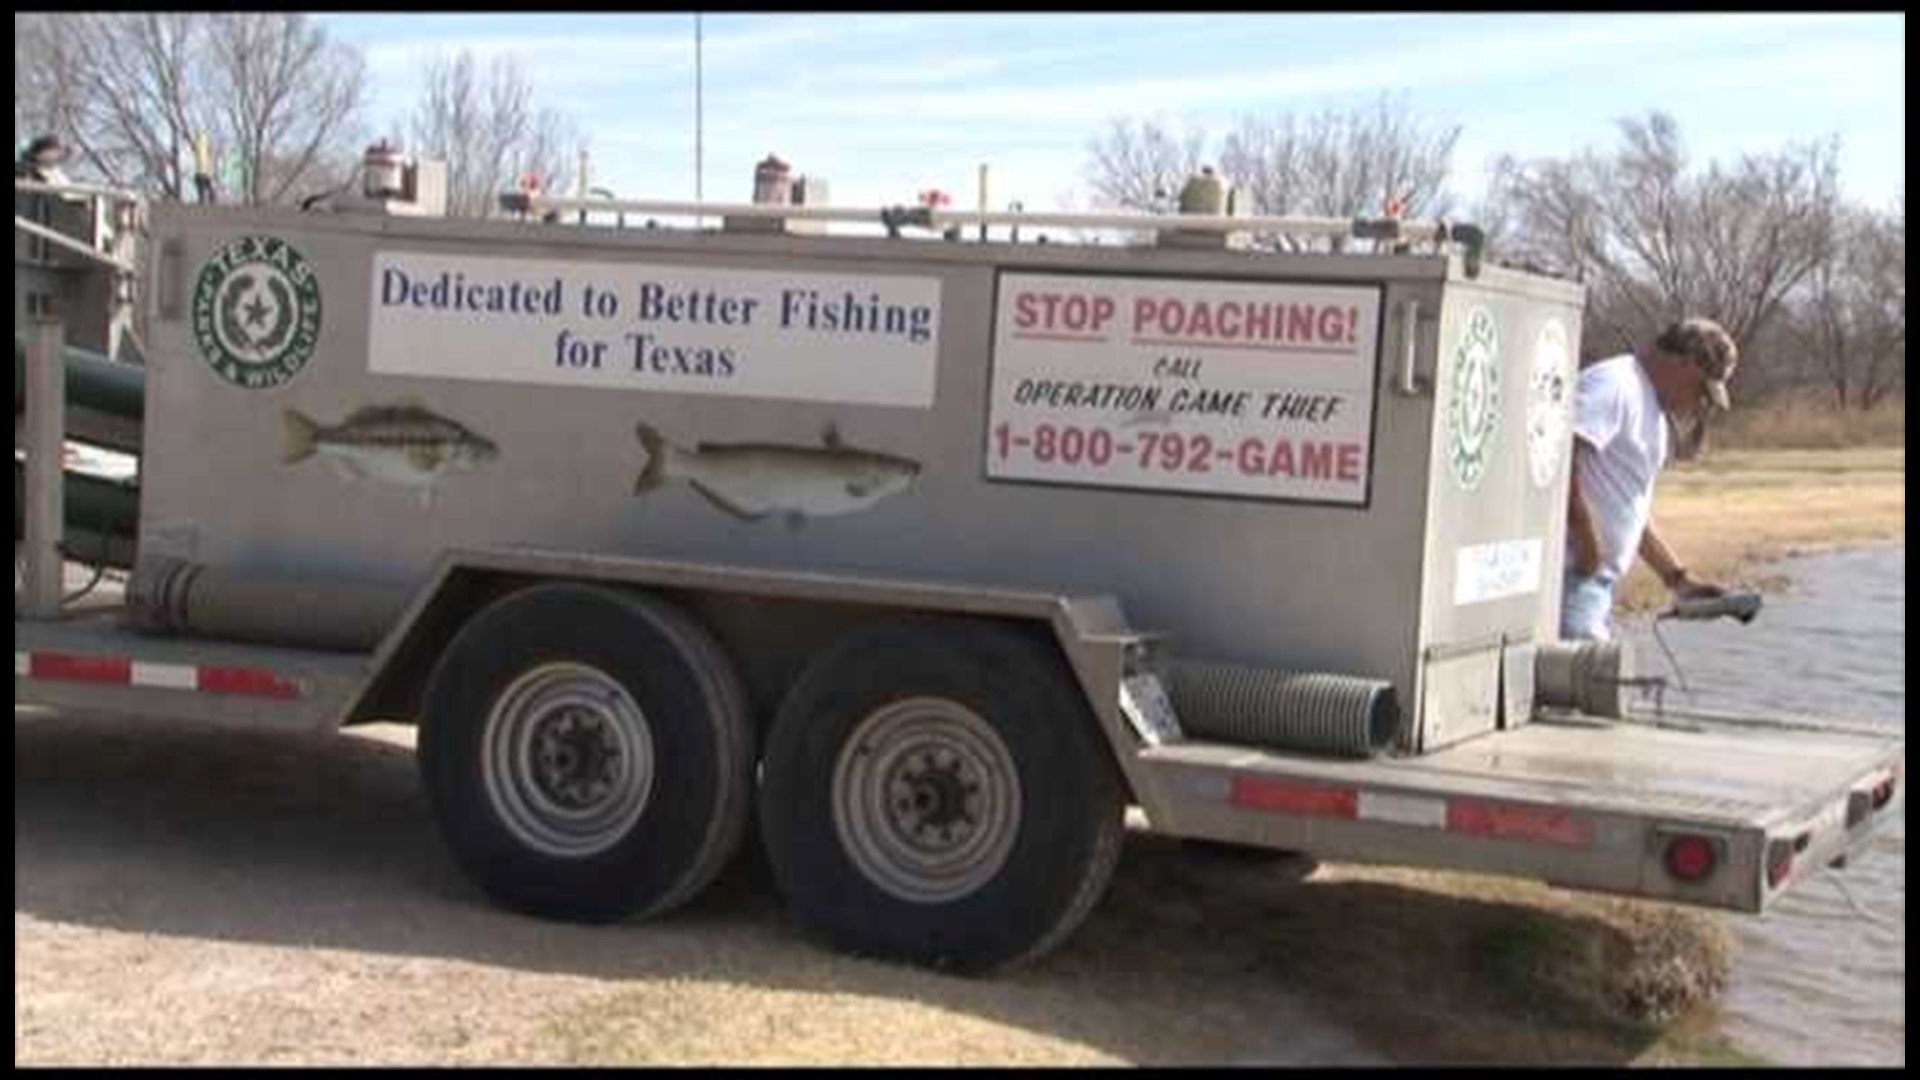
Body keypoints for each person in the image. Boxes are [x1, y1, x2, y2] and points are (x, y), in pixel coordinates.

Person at [1562, 317, 1739, 642]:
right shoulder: (1615, 385)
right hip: (1571, 579)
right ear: (1683, 362)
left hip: (1595, 585)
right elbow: (1559, 455)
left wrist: (1677, 579)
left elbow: (1629, 507)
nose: (1699, 402)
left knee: (1591, 684)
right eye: (1701, 389)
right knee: (1579, 689)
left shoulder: (1654, 410)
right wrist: (1586, 541)